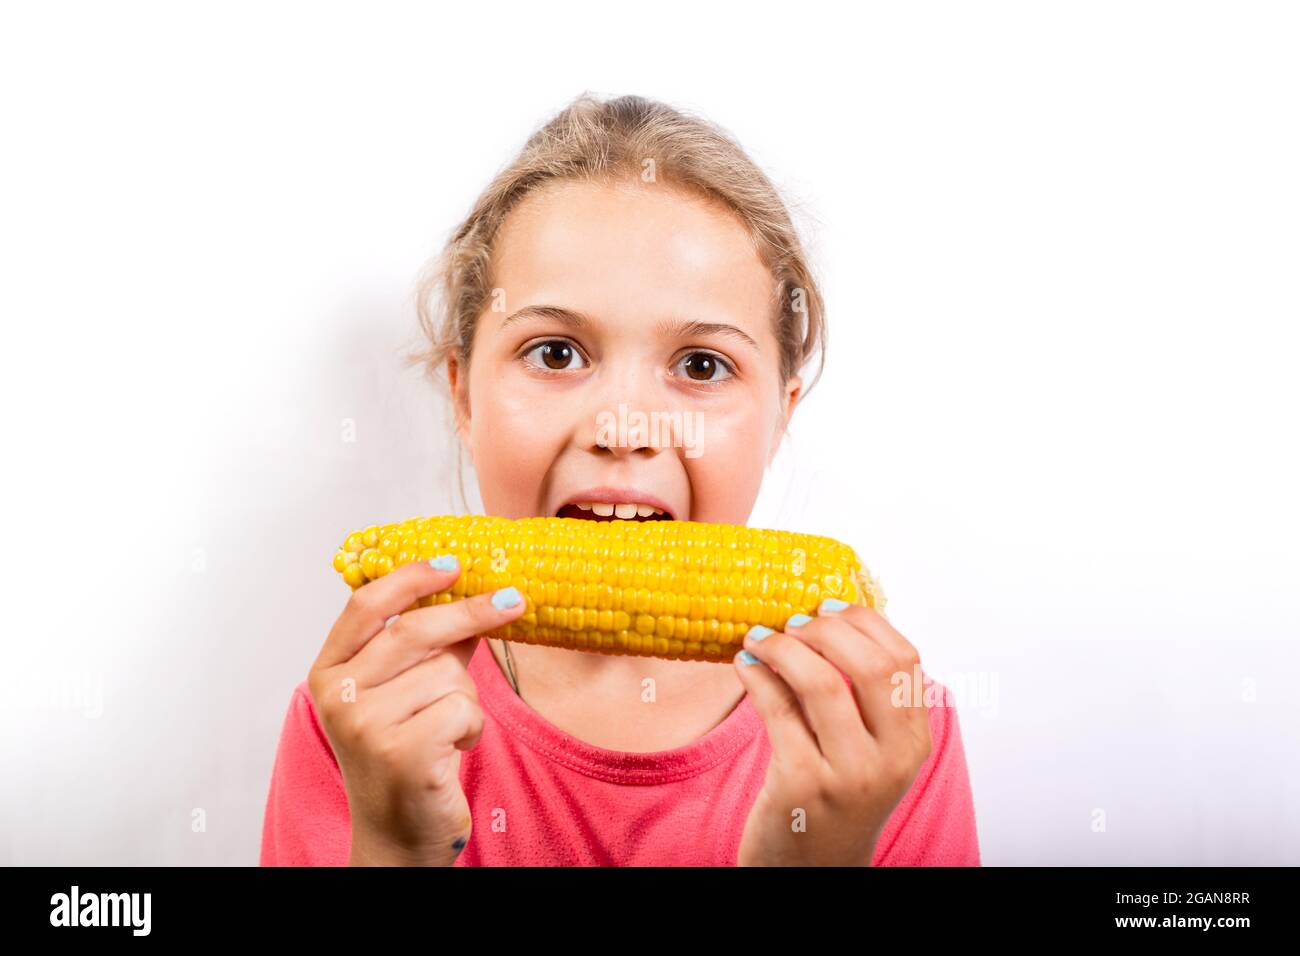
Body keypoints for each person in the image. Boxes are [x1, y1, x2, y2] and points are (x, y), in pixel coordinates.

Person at [259, 92, 980, 866]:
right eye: (556, 353)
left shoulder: (894, 737)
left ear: (781, 416)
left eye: (702, 365)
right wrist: (395, 845)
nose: (626, 428)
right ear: (464, 394)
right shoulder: (364, 718)